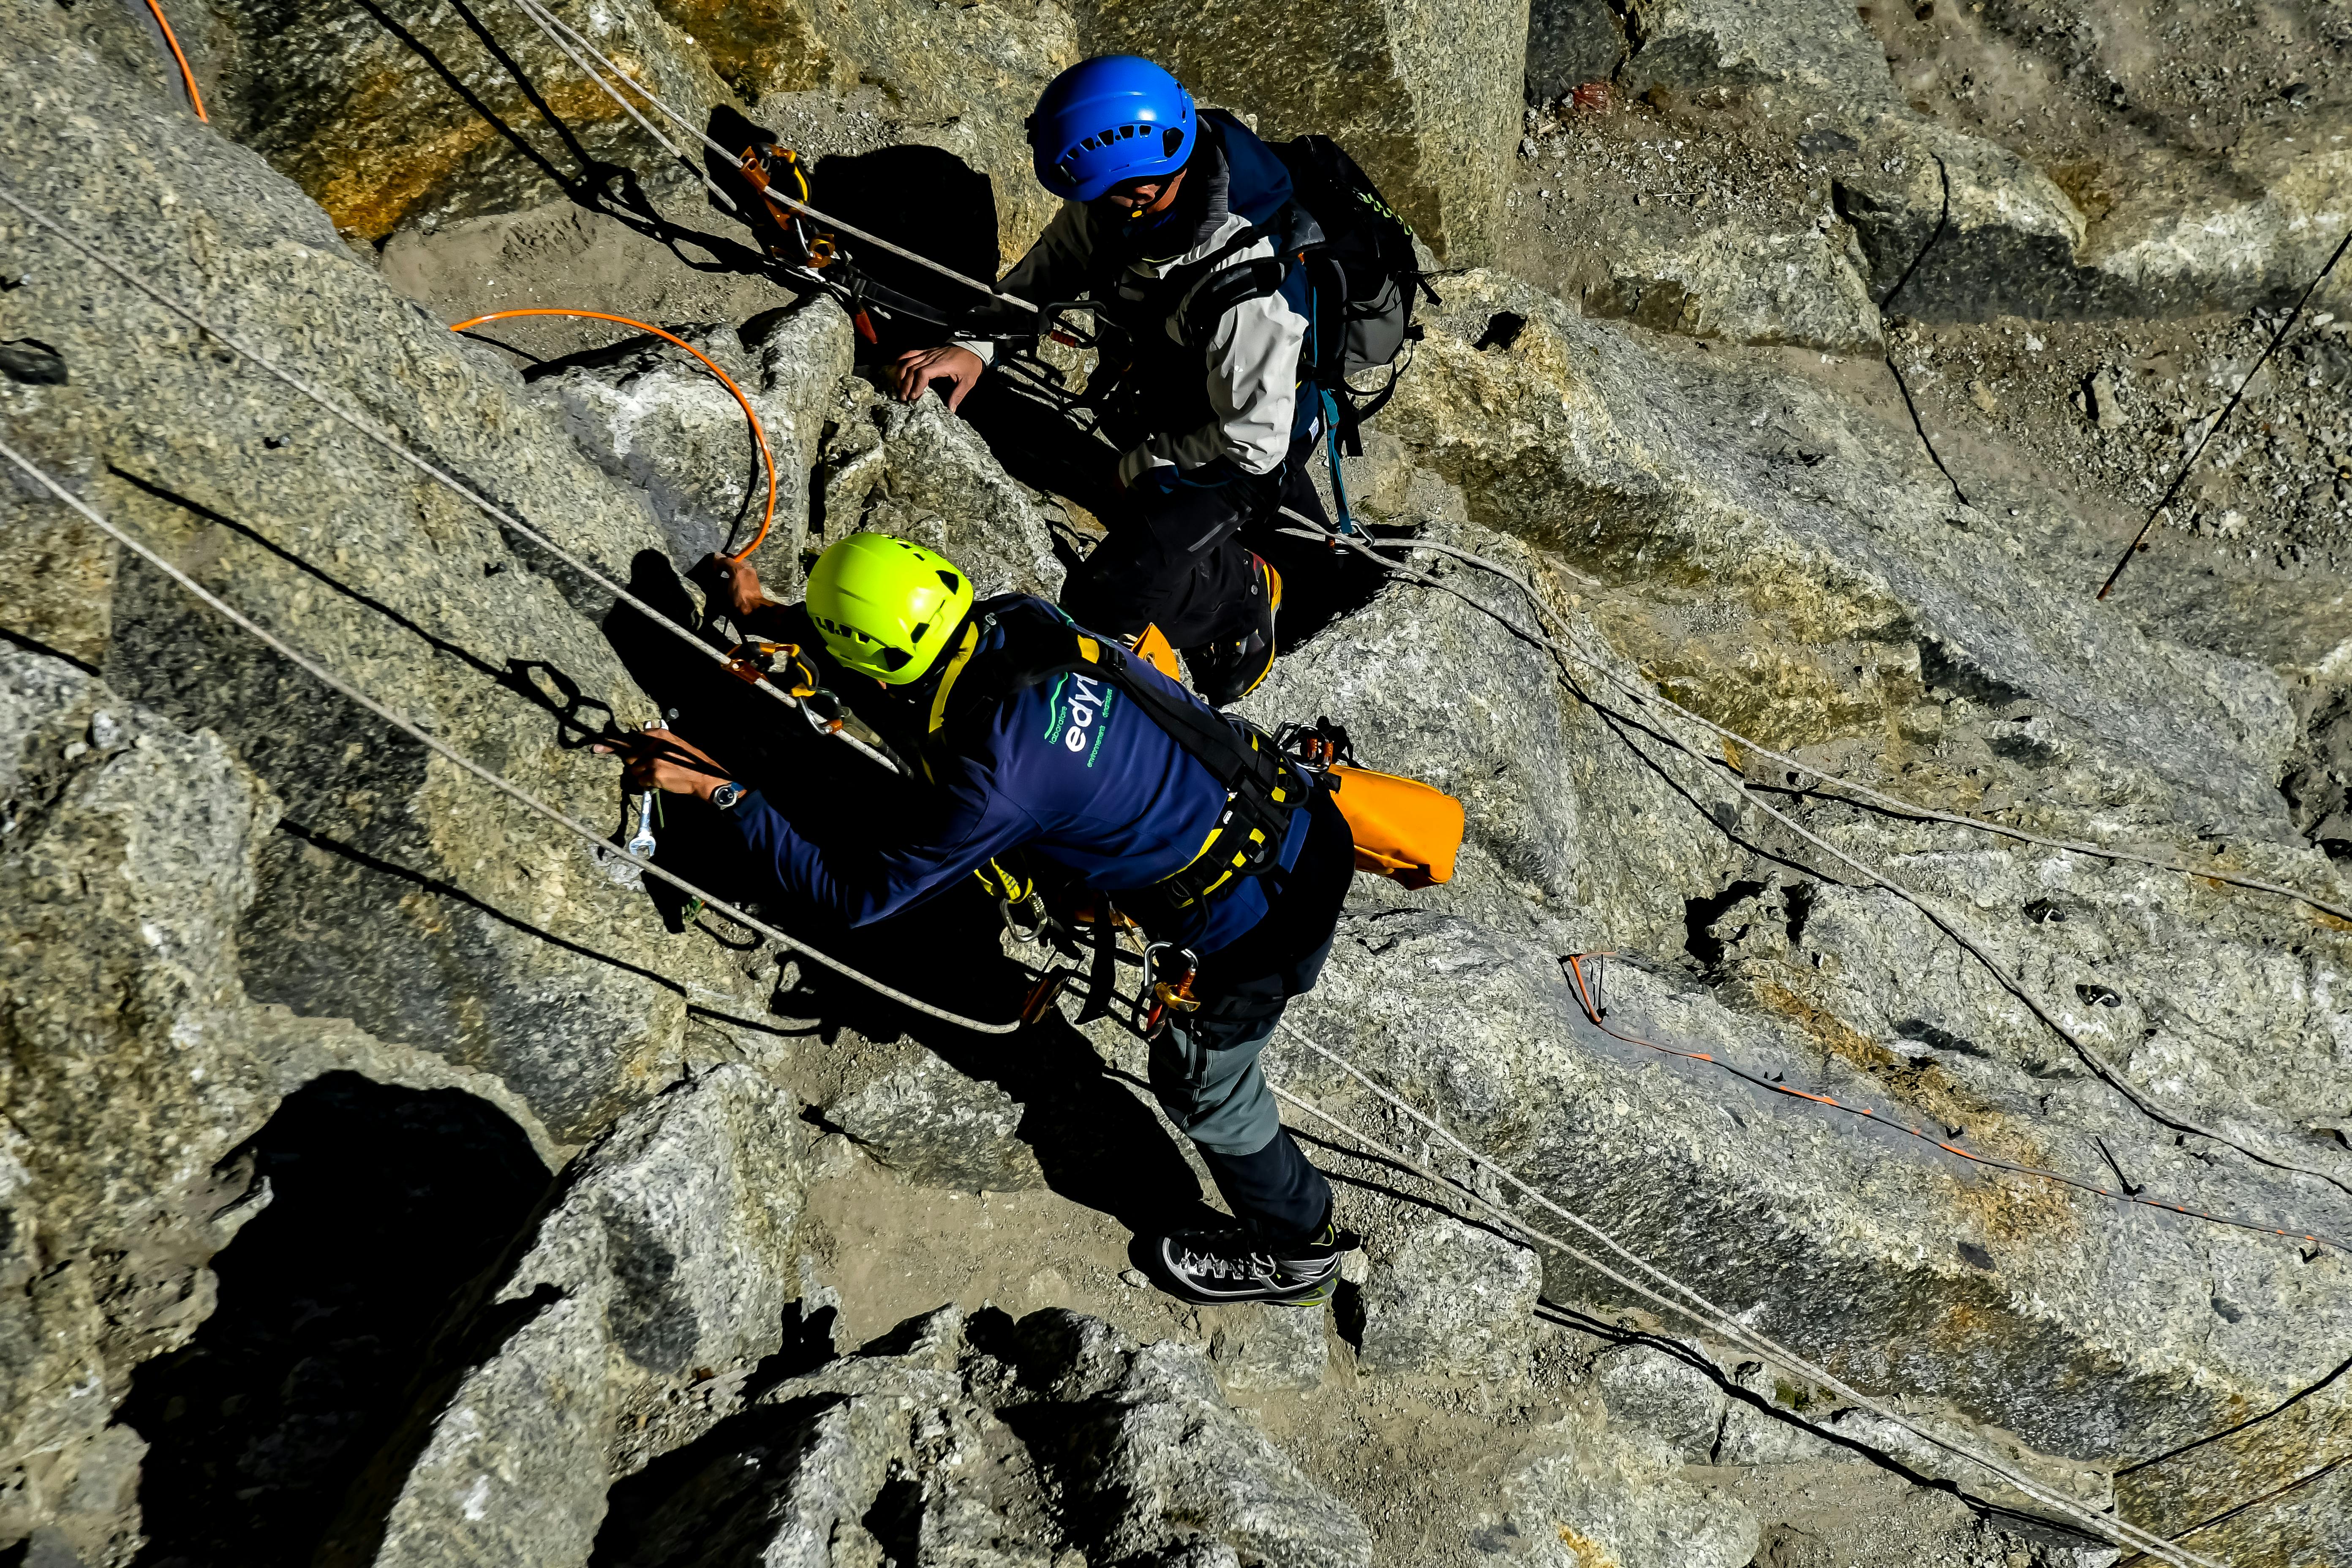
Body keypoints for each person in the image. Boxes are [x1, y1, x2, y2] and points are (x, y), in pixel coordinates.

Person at [612, 532, 1361, 1305]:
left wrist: (723, 793)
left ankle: (1299, 1253)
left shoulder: (996, 781)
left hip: (1261, 930)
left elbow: (856, 897)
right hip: (1301, 817)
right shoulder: (1021, 618)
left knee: (1205, 1089)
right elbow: (910, 667)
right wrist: (770, 616)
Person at [888, 54, 1335, 707]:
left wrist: (1143, 465)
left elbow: (1255, 444)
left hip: (1252, 444)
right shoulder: (1125, 203)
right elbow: (1050, 270)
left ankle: (1243, 596)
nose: (1085, 205)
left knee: (1107, 595)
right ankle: (1302, 562)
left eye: (1096, 193)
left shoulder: (1246, 286)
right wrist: (975, 347)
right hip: (1191, 398)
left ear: (1145, 188)